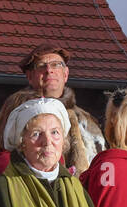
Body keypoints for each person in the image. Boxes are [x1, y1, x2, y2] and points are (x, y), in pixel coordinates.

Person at [15, 43, 105, 173]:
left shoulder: (87, 119)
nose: (49, 70)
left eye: (56, 65)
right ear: (29, 76)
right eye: (41, 66)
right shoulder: (18, 115)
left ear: (66, 74)